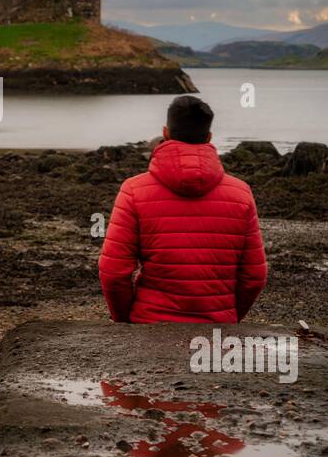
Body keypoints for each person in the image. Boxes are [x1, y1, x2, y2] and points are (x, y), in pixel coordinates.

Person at [98, 95, 267, 323]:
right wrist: (228, 317)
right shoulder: (241, 193)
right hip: (217, 329)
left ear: (166, 133)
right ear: (208, 137)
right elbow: (254, 277)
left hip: (149, 325)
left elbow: (113, 272)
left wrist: (123, 319)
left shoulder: (133, 190)